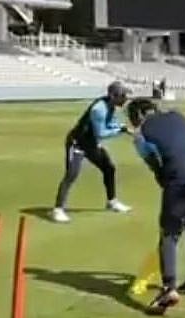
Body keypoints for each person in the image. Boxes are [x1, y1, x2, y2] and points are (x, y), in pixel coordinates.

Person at [127, 98, 185, 315]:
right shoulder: (178, 115)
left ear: (138, 115)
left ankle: (169, 288)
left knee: (169, 233)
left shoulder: (140, 134)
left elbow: (154, 164)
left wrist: (165, 182)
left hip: (179, 178)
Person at [51, 82, 132, 223]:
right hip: (77, 143)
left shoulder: (111, 106)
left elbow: (111, 123)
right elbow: (101, 133)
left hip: (91, 144)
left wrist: (122, 127)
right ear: (113, 96)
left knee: (109, 168)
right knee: (71, 175)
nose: (126, 99)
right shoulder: (99, 109)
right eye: (123, 96)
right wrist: (120, 130)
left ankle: (111, 202)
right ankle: (57, 210)